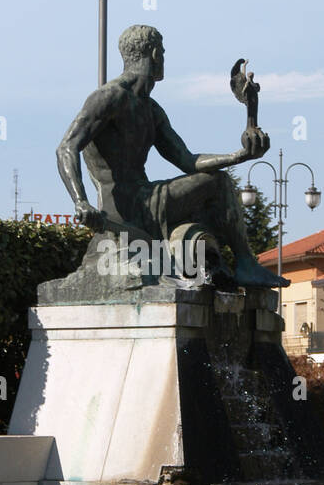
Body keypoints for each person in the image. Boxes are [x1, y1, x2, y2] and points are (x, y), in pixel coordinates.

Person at [56, 24, 287, 288]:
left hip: (147, 199)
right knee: (218, 183)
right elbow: (66, 147)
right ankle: (245, 264)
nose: (164, 59)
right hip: (126, 208)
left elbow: (188, 161)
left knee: (213, 184)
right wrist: (80, 202)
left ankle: (221, 265)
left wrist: (240, 155)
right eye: (163, 53)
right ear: (154, 54)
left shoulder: (151, 110)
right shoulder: (108, 97)